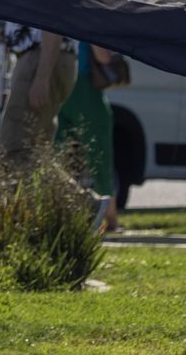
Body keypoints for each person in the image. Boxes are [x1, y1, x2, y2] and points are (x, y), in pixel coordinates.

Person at [58, 41, 123, 231]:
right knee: (99, 156)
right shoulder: (88, 24)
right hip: (84, 88)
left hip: (61, 83)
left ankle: (65, 214)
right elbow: (103, 57)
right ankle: (110, 218)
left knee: (59, 155)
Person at [0, 24, 77, 160]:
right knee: (35, 152)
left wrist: (42, 77)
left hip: (40, 59)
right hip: (48, 57)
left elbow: (52, 21)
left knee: (13, 150)